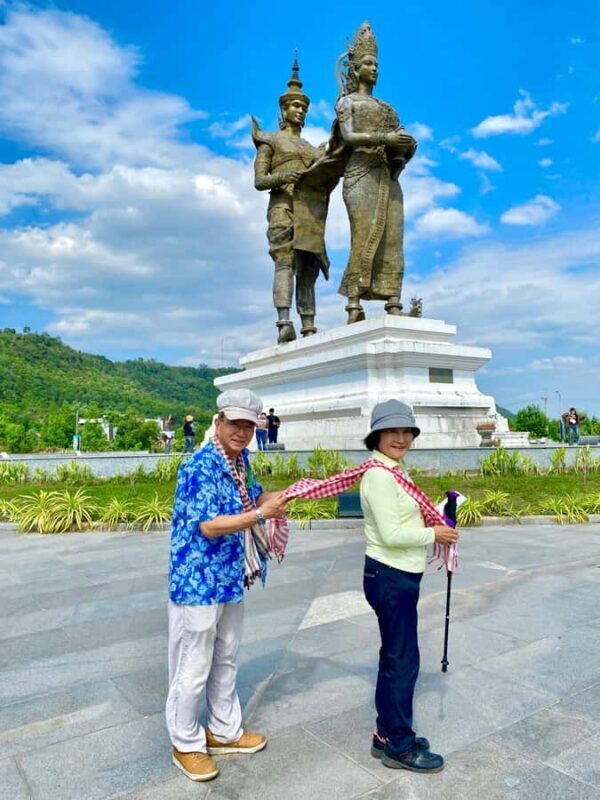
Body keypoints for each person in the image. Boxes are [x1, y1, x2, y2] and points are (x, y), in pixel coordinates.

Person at [166, 388, 288, 782]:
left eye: (249, 425)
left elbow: (255, 497)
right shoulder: (199, 466)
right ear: (217, 422)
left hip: (230, 575)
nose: (241, 431)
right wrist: (258, 513)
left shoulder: (240, 463)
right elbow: (209, 525)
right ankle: (185, 743)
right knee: (194, 663)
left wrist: (289, 494)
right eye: (234, 423)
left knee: (228, 654)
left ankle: (223, 730)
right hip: (197, 580)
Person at [360, 400, 459, 773]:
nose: (401, 438)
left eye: (407, 432)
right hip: (390, 575)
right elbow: (391, 533)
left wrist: (439, 510)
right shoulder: (380, 475)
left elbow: (404, 518)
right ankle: (399, 746)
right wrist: (434, 532)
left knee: (394, 657)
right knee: (403, 661)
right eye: (393, 431)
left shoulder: (393, 469)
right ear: (378, 435)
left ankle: (386, 733)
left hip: (395, 574)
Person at [333, 22, 417, 323]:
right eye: (368, 63)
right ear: (354, 69)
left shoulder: (388, 108)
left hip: (388, 176)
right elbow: (348, 139)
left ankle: (393, 299)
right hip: (360, 174)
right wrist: (385, 140)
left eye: (376, 64)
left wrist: (405, 148)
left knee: (393, 236)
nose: (374, 68)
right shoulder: (347, 102)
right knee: (364, 235)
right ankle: (354, 303)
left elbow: (397, 142)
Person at [252, 56, 334, 343]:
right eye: (295, 106)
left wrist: (324, 159)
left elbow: (324, 180)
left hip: (308, 214)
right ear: (284, 109)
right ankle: (284, 321)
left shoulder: (311, 149)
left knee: (309, 268)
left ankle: (309, 324)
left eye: (303, 107)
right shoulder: (270, 140)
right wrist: (285, 178)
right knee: (284, 262)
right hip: (282, 209)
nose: (300, 111)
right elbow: (259, 181)